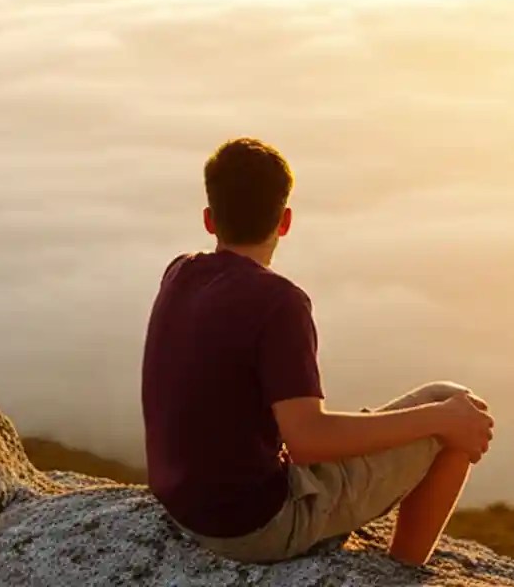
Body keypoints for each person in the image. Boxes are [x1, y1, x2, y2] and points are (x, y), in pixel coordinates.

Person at [141, 137, 495, 565]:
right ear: (285, 221)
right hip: (254, 527)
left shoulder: (181, 272)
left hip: (184, 505)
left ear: (209, 220)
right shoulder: (279, 301)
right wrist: (440, 419)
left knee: (444, 408)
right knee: (457, 410)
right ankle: (403, 571)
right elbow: (308, 440)